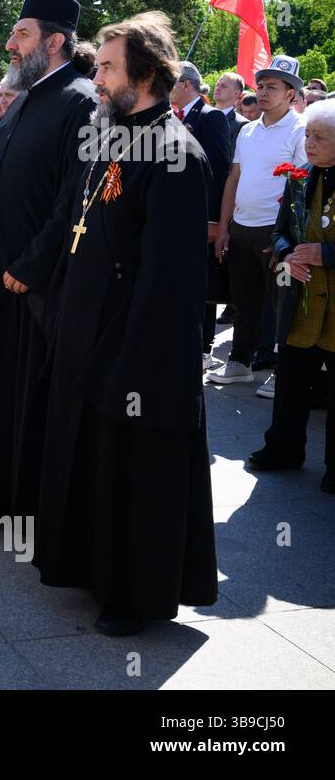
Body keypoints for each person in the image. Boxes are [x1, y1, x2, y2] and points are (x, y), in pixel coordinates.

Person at [33, 11, 217, 635]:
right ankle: (91, 568)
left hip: (136, 350)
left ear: (145, 74)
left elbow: (169, 280)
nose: (99, 76)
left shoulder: (175, 154)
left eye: (108, 66)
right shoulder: (112, 135)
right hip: (87, 333)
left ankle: (133, 595)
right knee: (92, 464)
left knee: (132, 473)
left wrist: (132, 360)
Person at [0, 0, 97, 514]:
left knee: (11, 391)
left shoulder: (80, 100)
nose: (9, 44)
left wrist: (31, 264)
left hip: (22, 284)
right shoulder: (29, 95)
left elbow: (75, 195)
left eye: (22, 34)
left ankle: (4, 499)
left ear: (55, 42)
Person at [248, 99, 335, 493]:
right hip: (301, 304)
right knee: (291, 383)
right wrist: (287, 255)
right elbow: (280, 230)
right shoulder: (299, 178)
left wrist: (326, 254)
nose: (309, 142)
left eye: (319, 136)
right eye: (308, 134)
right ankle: (283, 449)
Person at [210, 55, 308, 387]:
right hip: (241, 229)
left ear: (291, 94)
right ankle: (240, 362)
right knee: (244, 301)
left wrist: (286, 236)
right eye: (261, 86)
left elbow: (300, 187)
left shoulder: (301, 130)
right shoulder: (247, 130)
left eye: (273, 87)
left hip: (275, 232)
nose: (263, 92)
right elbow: (233, 180)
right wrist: (224, 227)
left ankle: (279, 371)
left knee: (281, 306)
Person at [171, 61, 235, 372]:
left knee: (202, 282)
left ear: (185, 85)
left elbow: (220, 168)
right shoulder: (167, 116)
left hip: (201, 215)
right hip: (171, 215)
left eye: (170, 81)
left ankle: (203, 347)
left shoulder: (210, 118)